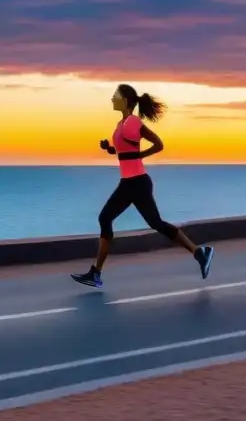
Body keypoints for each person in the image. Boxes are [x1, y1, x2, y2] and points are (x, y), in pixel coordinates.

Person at [71, 83, 215, 288]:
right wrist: (110, 149)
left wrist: (141, 155)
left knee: (151, 222)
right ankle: (96, 273)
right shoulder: (121, 124)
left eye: (115, 96)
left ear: (125, 100)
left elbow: (158, 144)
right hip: (129, 182)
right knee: (117, 219)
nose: (112, 99)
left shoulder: (133, 122)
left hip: (137, 183)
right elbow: (125, 152)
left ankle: (200, 253)